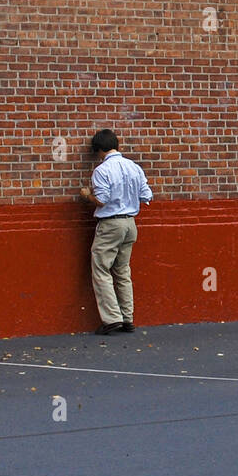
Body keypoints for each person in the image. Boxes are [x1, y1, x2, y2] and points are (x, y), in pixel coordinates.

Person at [79, 129, 152, 334]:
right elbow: (147, 195)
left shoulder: (102, 170)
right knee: (123, 271)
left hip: (111, 223)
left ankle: (112, 318)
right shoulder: (134, 167)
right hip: (130, 223)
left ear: (99, 149)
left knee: (101, 269)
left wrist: (87, 196)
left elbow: (102, 200)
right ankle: (128, 317)